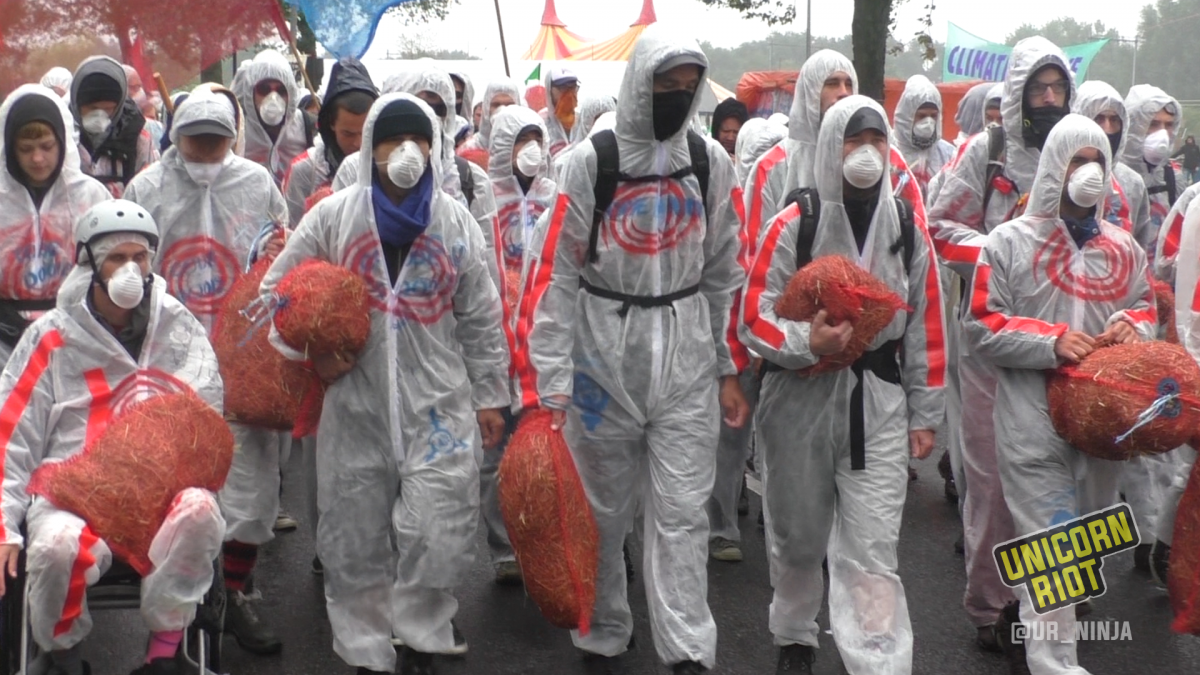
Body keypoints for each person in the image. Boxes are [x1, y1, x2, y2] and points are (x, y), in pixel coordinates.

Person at [513, 26, 749, 674]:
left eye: (686, 86)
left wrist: (728, 367)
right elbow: (555, 274)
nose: (675, 96)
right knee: (600, 510)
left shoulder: (708, 161)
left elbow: (728, 268)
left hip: (684, 352)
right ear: (638, 84)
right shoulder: (592, 161)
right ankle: (603, 628)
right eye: (664, 84)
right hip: (598, 356)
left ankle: (687, 649)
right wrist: (549, 384)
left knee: (681, 514)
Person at [261, 93, 508, 675]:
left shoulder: (454, 221)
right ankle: (367, 649)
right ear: (371, 149)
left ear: (434, 144)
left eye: (417, 139)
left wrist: (492, 395)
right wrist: (312, 350)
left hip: (439, 402)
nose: (405, 152)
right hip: (356, 403)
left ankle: (422, 632)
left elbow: (482, 311)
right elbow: (280, 290)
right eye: (392, 140)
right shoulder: (334, 216)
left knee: (440, 524)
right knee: (353, 536)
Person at [742, 94, 944, 675]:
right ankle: (795, 634)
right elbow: (752, 315)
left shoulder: (906, 223)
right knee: (798, 533)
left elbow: (927, 319)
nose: (866, 153)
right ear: (832, 145)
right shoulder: (794, 220)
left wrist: (925, 411)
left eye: (876, 140)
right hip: (797, 398)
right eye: (854, 140)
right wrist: (809, 342)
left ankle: (879, 657)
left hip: (876, 399)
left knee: (873, 544)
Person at [965, 113, 1156, 675]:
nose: (1089, 173)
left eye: (1099, 161)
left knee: (1085, 540)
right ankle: (1054, 663)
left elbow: (1147, 309)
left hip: (1102, 421)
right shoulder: (1007, 242)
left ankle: (1036, 633)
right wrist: (1051, 342)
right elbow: (979, 324)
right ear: (1053, 167)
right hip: (1031, 415)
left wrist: (1134, 327)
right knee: (1052, 546)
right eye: (1078, 161)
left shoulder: (1124, 249)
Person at [0, 199, 226, 675]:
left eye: (139, 257)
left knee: (201, 510)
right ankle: (61, 657)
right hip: (71, 493)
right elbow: (11, 434)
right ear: (90, 264)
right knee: (55, 548)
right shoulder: (51, 337)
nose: (130, 270)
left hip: (157, 494)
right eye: (116, 258)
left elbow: (205, 417)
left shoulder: (178, 328)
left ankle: (166, 653)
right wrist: (5, 527)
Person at [123, 87, 290, 658]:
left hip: (243, 356)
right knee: (179, 496)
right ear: (175, 138)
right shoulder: (148, 188)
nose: (207, 154)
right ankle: (173, 614)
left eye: (217, 143)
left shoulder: (257, 183)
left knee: (251, 489)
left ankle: (235, 594)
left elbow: (279, 259)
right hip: (171, 358)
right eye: (196, 142)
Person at [926, 36, 1076, 653]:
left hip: (1063, 338)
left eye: (1056, 88)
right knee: (991, 479)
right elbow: (938, 225)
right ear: (1016, 95)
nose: (1048, 99)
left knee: (1059, 474)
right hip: (991, 337)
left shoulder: (1079, 153)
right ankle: (993, 607)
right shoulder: (985, 155)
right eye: (1037, 89)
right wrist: (995, 254)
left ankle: (1052, 603)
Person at [479, 105, 557, 585]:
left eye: (536, 139)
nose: (529, 150)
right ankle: (501, 545)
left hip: (539, 339)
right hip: (495, 337)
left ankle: (539, 539)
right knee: (493, 452)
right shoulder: (486, 198)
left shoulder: (556, 197)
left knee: (539, 449)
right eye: (519, 140)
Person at [0, 85, 112, 369]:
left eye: (46, 147)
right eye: (25, 149)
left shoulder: (90, 195)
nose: (38, 159)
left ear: (62, 142)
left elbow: (110, 262)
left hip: (75, 334)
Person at [283, 56, 378, 226]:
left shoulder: (386, 165)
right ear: (331, 124)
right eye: (348, 134)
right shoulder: (306, 169)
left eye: (365, 134)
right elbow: (290, 233)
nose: (357, 144)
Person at [71, 56, 159, 197]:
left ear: (118, 107)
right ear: (77, 105)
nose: (99, 116)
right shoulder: (64, 136)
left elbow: (149, 190)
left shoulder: (137, 139)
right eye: (92, 108)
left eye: (108, 109)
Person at [233, 49, 312, 187]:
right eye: (264, 89)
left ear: (291, 94)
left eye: (281, 90)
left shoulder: (306, 126)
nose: (273, 98)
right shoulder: (239, 129)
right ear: (251, 92)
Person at [1121, 84, 1181, 256]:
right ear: (1133, 126)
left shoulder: (1173, 177)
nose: (1162, 134)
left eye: (1168, 125)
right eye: (1153, 124)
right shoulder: (1115, 177)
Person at [893, 74, 955, 200]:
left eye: (933, 116)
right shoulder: (891, 149)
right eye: (921, 116)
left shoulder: (948, 154)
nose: (928, 122)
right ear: (907, 116)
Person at [458, 78, 521, 169]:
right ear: (487, 108)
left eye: (509, 105)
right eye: (496, 105)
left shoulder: (525, 149)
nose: (503, 110)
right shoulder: (468, 148)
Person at [542, 66, 580, 159]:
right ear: (549, 91)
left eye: (573, 87)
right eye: (563, 88)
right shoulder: (541, 124)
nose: (569, 94)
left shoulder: (582, 121)